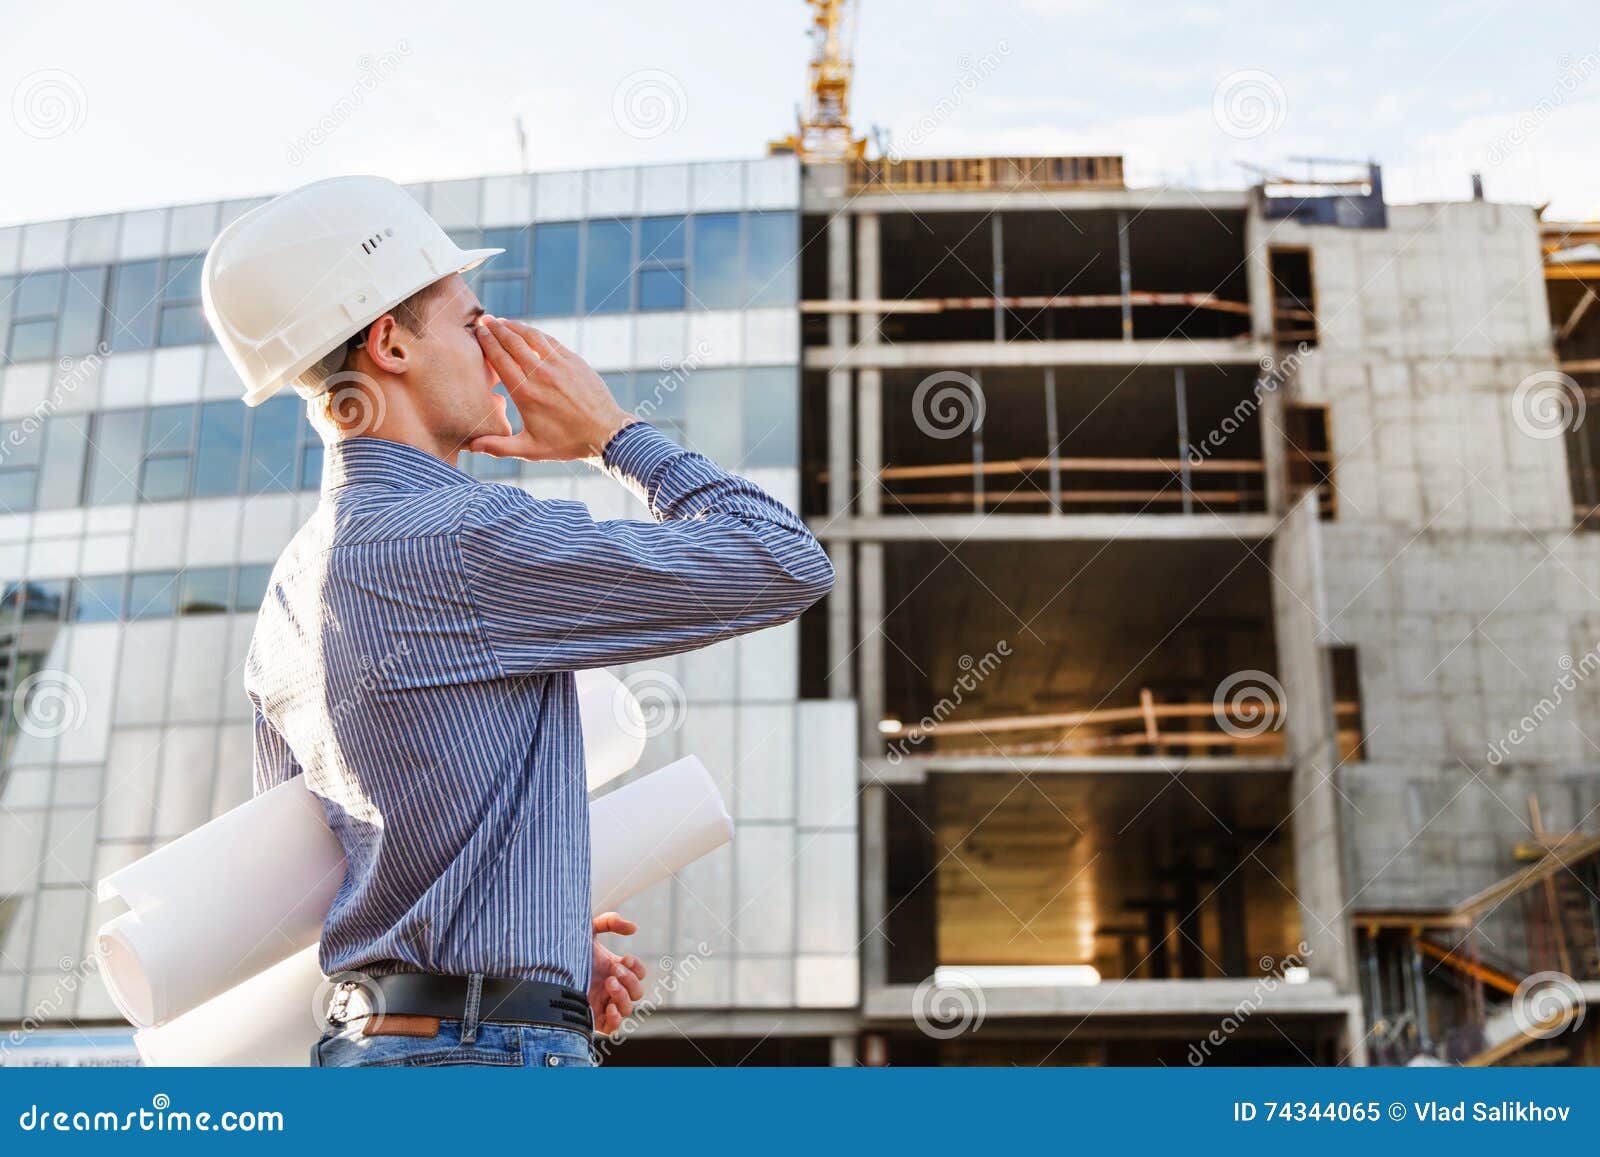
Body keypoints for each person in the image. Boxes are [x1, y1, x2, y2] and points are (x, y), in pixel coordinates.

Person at [203, 176, 834, 1067]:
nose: (497, 355)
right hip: (483, 1055)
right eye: (473, 324)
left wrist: (524, 949)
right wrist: (612, 433)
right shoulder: (461, 533)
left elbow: (310, 873)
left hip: (372, 1048)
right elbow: (783, 558)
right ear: (390, 343)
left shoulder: (289, 590)